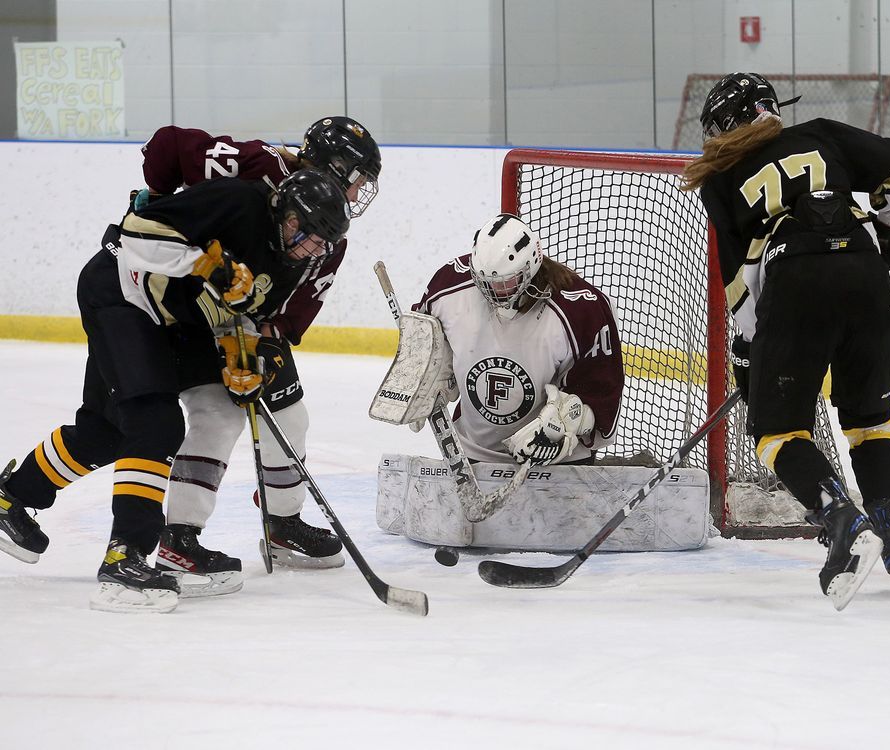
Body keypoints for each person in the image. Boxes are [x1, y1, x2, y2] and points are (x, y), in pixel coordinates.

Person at [0, 167, 350, 612]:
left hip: (169, 317)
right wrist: (206, 263)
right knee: (154, 421)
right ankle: (124, 556)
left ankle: (13, 496)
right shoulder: (239, 201)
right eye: (310, 236)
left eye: (323, 244)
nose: (312, 250)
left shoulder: (284, 259)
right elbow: (138, 233)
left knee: (106, 429)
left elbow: (237, 309)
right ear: (289, 215)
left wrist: (240, 353)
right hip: (122, 294)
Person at [681, 72, 890, 608]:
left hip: (796, 289)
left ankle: (841, 518)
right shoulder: (822, 133)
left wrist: (754, 347)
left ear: (726, 124)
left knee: (776, 432)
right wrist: (882, 230)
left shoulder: (721, 177)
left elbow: (737, 287)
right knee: (870, 424)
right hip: (870, 283)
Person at [131, 118, 382, 594]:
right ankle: (180, 534)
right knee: (215, 416)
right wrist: (163, 204)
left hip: (242, 317)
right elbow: (167, 145)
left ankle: (282, 526)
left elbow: (297, 305)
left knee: (290, 416)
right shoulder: (253, 168)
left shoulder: (330, 235)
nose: (357, 194)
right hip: (187, 304)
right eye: (358, 181)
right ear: (336, 166)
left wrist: (265, 338)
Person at [410, 213, 624, 467]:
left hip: (556, 467)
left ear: (530, 267)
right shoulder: (449, 285)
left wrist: (566, 422)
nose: (492, 291)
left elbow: (601, 393)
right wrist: (430, 373)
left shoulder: (581, 309)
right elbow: (424, 341)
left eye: (504, 282)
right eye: (484, 281)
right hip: (469, 454)